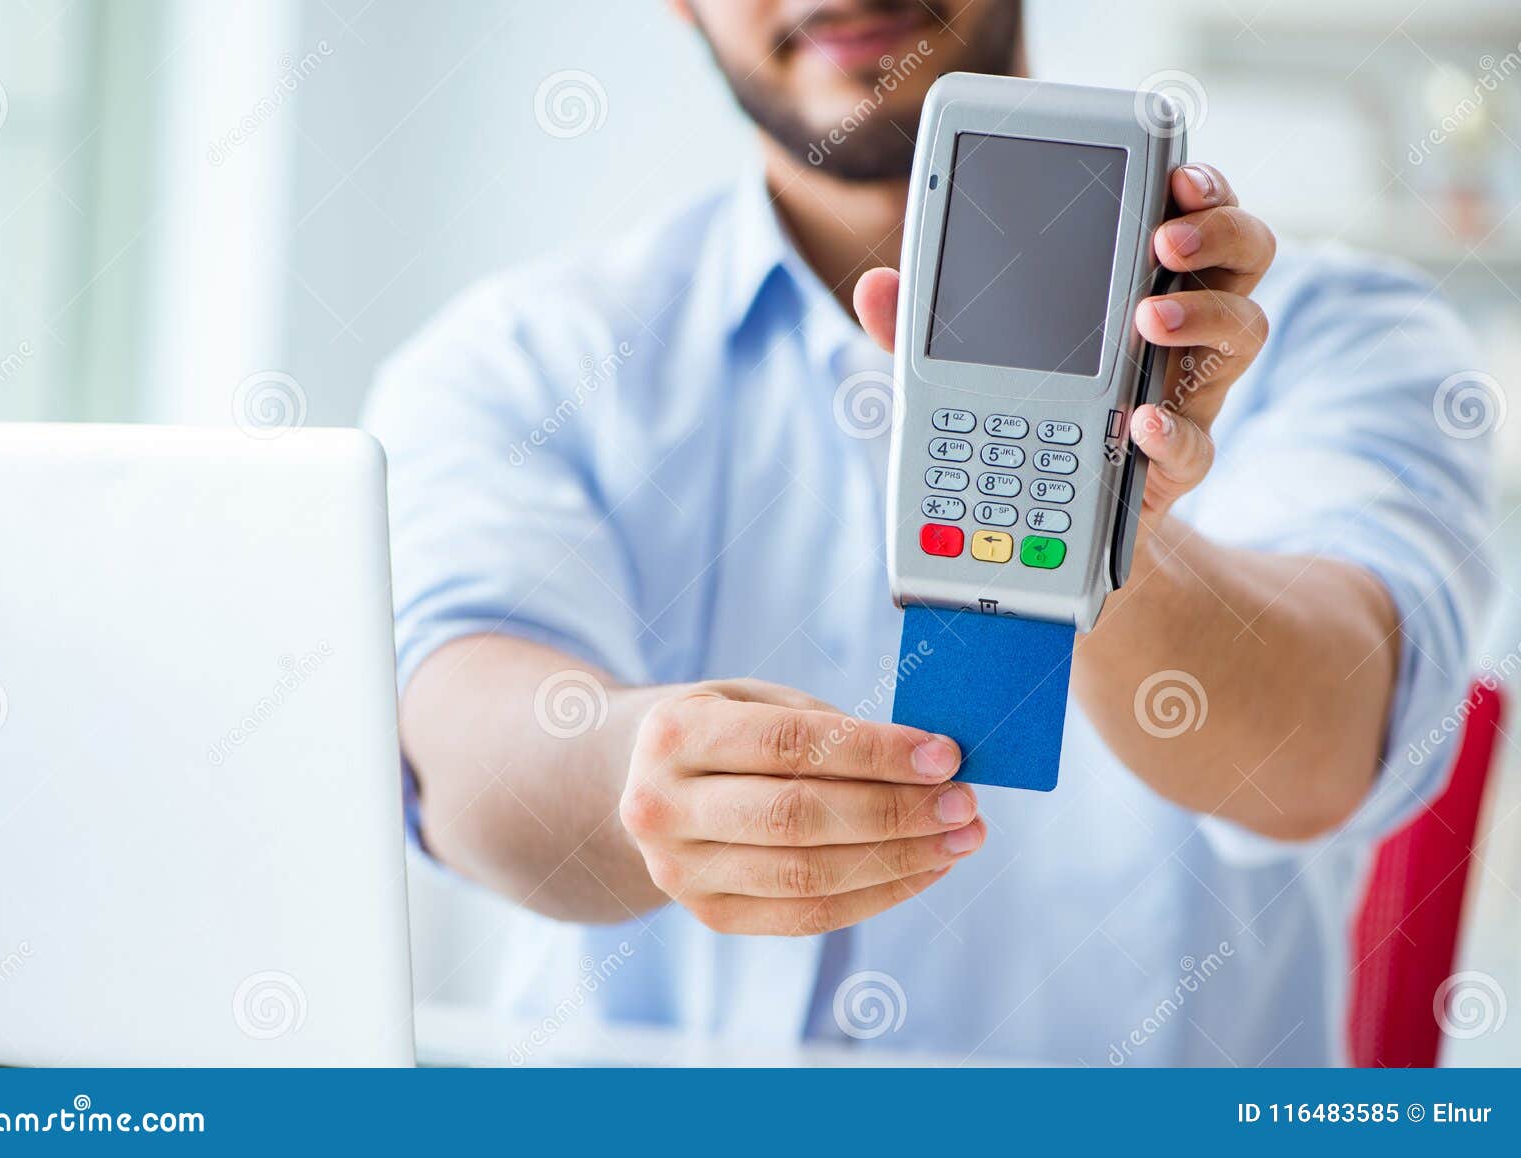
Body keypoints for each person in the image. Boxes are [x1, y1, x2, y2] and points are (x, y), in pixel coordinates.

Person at [362, 0, 1493, 1064]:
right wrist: (632, 776)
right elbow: (450, 725)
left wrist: (1104, 523)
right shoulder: (521, 360)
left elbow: (1328, 749)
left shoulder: (1341, 337)